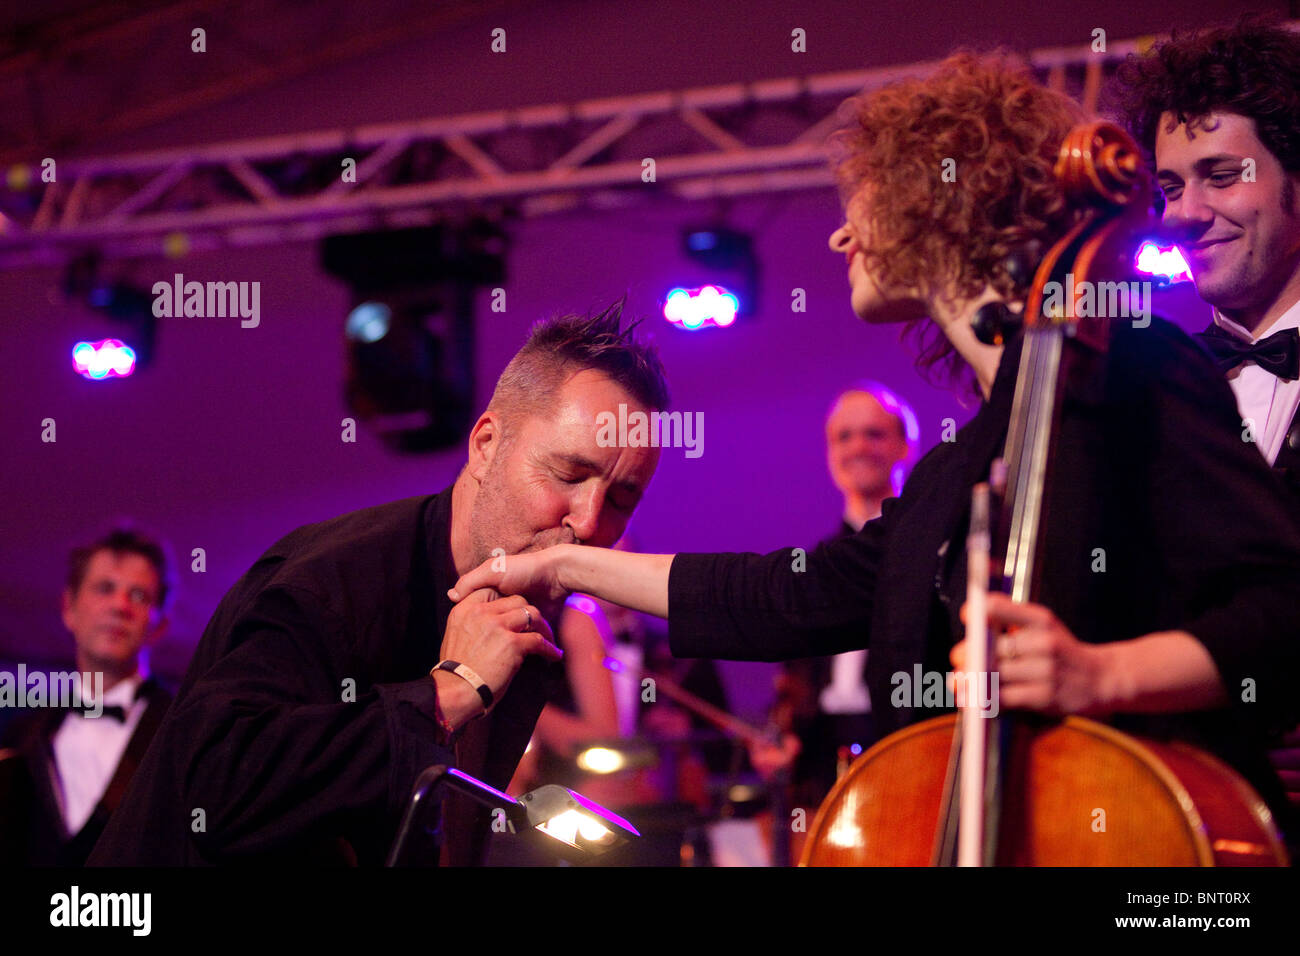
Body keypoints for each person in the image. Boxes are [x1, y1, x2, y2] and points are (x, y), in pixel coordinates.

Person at [449, 52, 1300, 851]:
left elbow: (1282, 606)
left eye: (863, 199)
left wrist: (1098, 676)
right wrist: (562, 566)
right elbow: (784, 595)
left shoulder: (1137, 362)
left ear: (937, 199)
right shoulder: (955, 469)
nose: (838, 238)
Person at [87, 302, 667, 866]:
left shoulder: (521, 621)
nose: (590, 522)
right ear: (487, 446)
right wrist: (449, 694)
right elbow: (214, 789)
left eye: (620, 499)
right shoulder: (333, 582)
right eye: (568, 473)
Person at [1112, 16, 1300, 814]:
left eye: (1221, 175)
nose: (1181, 215)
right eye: (1168, 187)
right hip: (1188, 815)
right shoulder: (1147, 383)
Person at [750, 383, 918, 816]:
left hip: (906, 751)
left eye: (874, 434)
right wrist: (779, 735)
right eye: (844, 436)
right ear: (830, 454)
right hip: (822, 769)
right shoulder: (815, 562)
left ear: (905, 446)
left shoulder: (929, 553)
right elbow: (795, 684)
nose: (858, 446)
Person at [0, 528, 174, 866]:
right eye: (104, 588)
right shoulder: (21, 736)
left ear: (159, 624)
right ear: (69, 607)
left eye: (138, 595)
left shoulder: (184, 731)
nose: (119, 606)